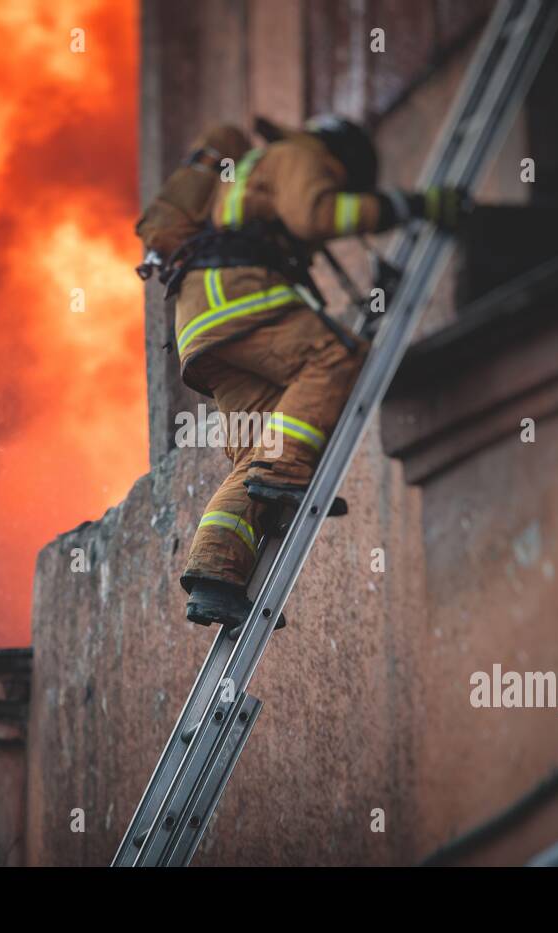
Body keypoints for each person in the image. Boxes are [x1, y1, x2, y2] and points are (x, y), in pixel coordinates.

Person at [137, 114, 469, 628]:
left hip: (202, 321)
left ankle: (213, 578)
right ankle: (284, 473)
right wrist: (407, 206)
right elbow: (314, 215)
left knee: (257, 452)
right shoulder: (297, 155)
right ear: (342, 160)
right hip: (238, 298)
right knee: (336, 358)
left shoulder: (246, 175)